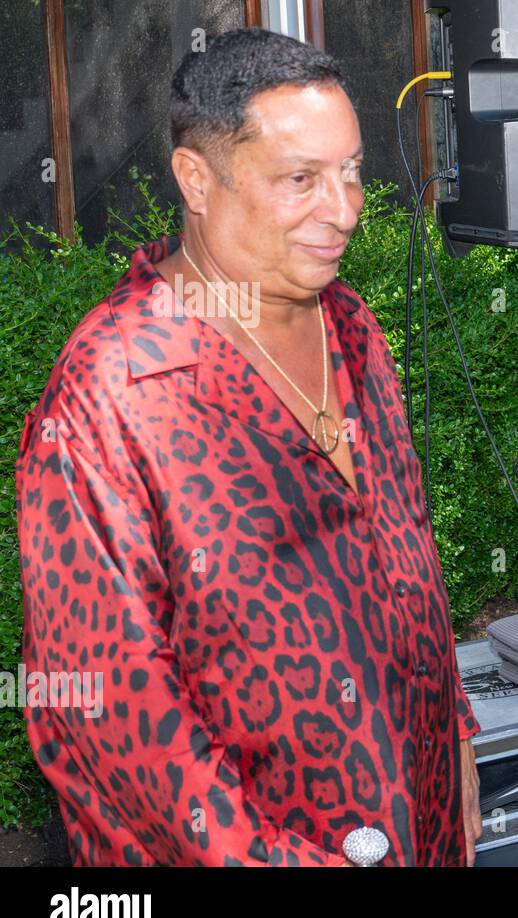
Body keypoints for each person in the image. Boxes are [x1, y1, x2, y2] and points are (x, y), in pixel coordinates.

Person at [15, 29, 482, 865]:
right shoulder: (114, 386)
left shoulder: (353, 326)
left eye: (352, 171)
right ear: (197, 179)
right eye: (301, 178)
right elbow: (112, 712)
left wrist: (457, 736)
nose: (343, 209)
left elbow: (406, 552)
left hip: (422, 820)